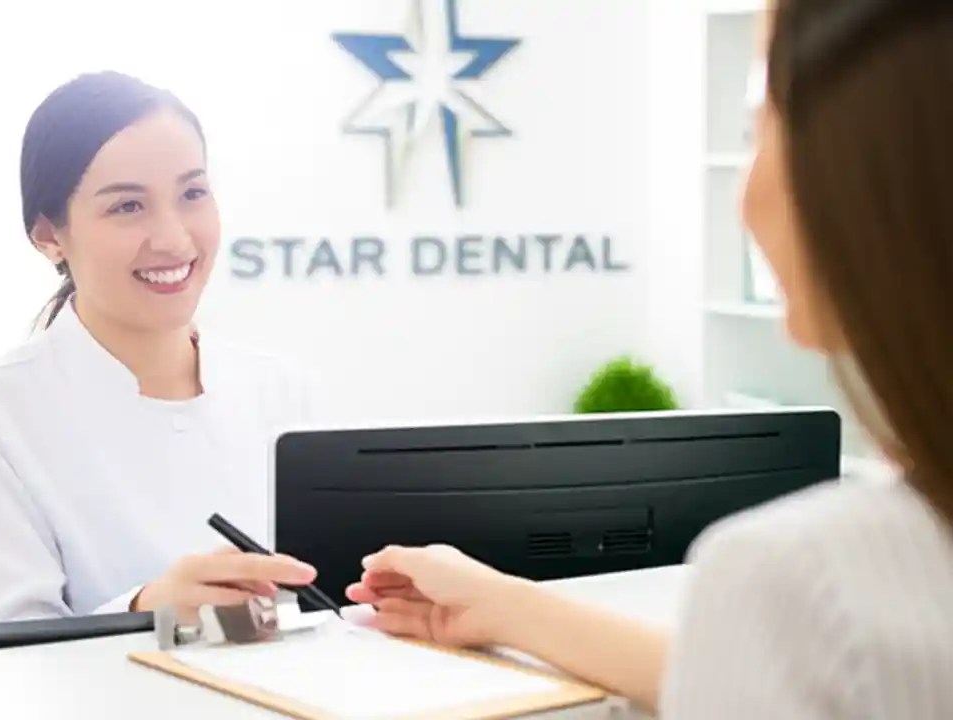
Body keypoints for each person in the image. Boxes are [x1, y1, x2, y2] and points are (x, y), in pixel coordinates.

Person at [348, 1, 953, 717]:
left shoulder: (795, 576)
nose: (745, 196)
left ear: (855, 176)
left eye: (759, 130)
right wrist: (501, 607)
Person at [0, 72, 317, 625]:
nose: (174, 238)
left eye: (193, 194)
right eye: (128, 207)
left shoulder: (281, 392)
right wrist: (147, 612)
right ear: (49, 236)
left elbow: (325, 619)